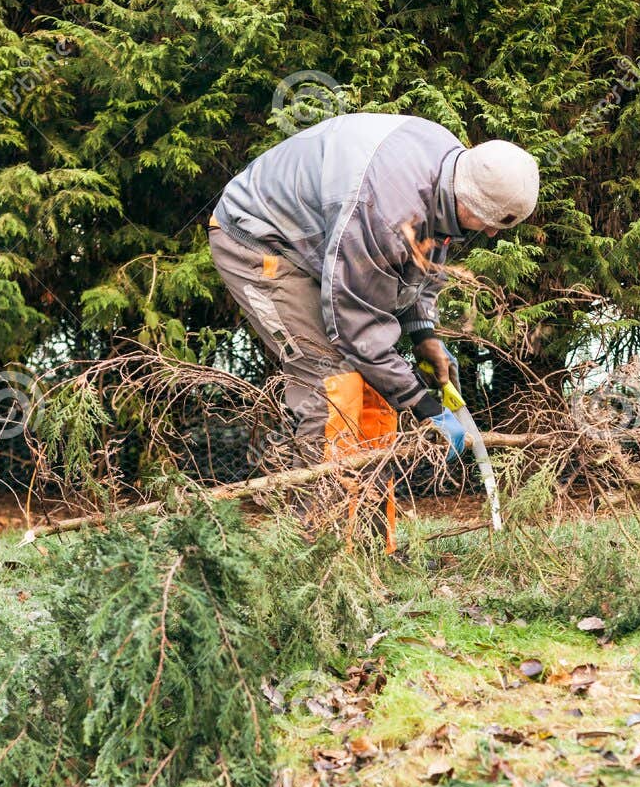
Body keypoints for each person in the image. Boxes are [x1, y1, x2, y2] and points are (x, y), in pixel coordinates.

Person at [208, 112, 539, 547]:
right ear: (465, 198)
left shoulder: (450, 176)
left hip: (323, 247)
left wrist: (425, 335)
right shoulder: (384, 206)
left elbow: (419, 263)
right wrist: (422, 403)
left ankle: (366, 542)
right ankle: (321, 555)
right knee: (330, 383)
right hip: (259, 243)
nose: (493, 233)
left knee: (374, 393)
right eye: (489, 221)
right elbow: (355, 324)